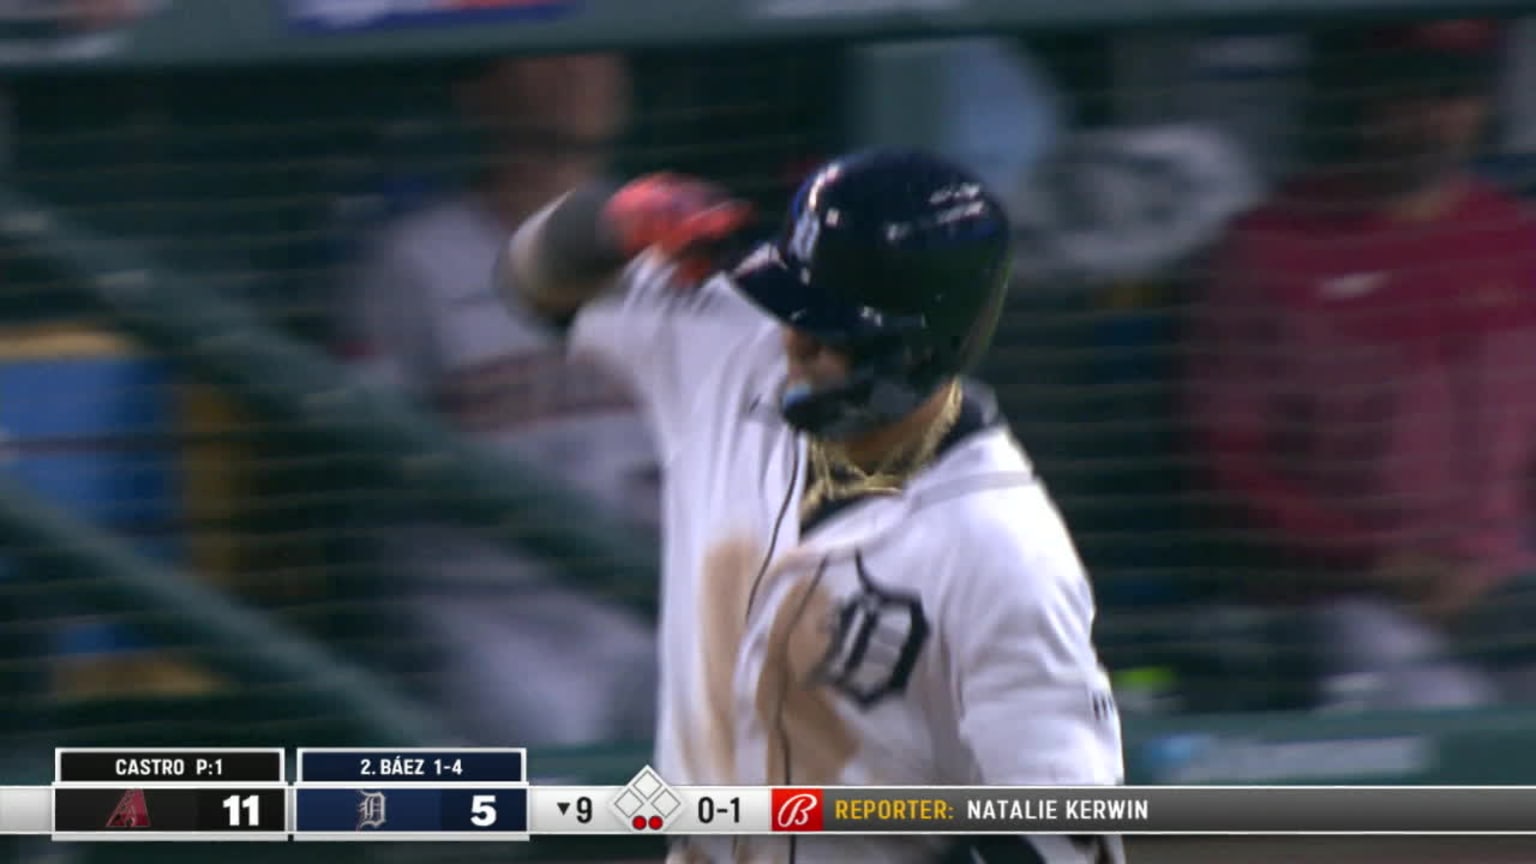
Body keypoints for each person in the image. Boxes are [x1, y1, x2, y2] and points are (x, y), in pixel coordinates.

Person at [500, 151, 1125, 863]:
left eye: (827, 330)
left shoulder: (1002, 556)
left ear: (917, 346)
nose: (792, 340)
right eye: (790, 308)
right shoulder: (732, 351)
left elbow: (1066, 844)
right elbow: (531, 283)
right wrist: (610, 223)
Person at [1188, 20, 1536, 709]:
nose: (1434, 117)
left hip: (1507, 584)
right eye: (1407, 91)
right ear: (1357, 94)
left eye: (1454, 91)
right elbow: (1231, 461)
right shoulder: (1268, 250)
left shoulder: (1510, 238)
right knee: (1435, 716)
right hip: (1343, 598)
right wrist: (1379, 563)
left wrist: (1491, 572)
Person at [335, 53, 658, 746]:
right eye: (553, 56)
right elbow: (363, 466)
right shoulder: (412, 260)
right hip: (481, 613)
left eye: (601, 54)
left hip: (642, 612)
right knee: (541, 772)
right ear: (478, 91)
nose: (585, 76)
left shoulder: (669, 254)